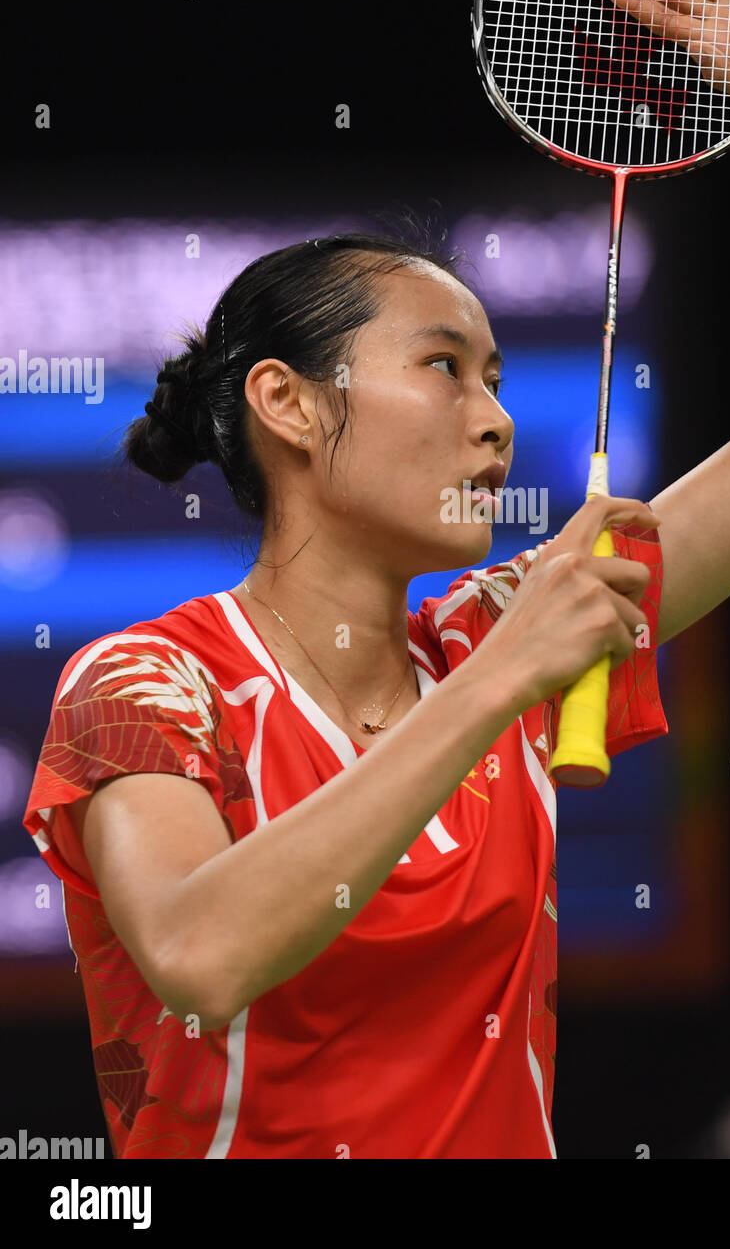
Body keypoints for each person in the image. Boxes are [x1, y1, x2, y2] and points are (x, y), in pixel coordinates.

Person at [23, 232, 669, 1159]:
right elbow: (200, 957)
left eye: (496, 379)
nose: (496, 422)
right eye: (444, 366)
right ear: (285, 401)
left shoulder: (496, 640)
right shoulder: (148, 681)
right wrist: (500, 679)